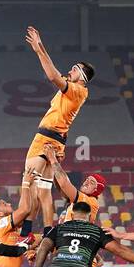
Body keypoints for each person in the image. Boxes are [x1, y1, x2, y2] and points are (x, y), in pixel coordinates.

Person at [20, 26, 93, 229]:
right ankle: (46, 232)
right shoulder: (75, 90)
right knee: (43, 191)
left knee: (28, 187)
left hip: (45, 138)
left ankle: (25, 232)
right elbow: (54, 71)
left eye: (75, 69)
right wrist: (40, 46)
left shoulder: (78, 90)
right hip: (56, 141)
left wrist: (37, 49)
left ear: (82, 76)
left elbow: (52, 76)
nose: (70, 71)